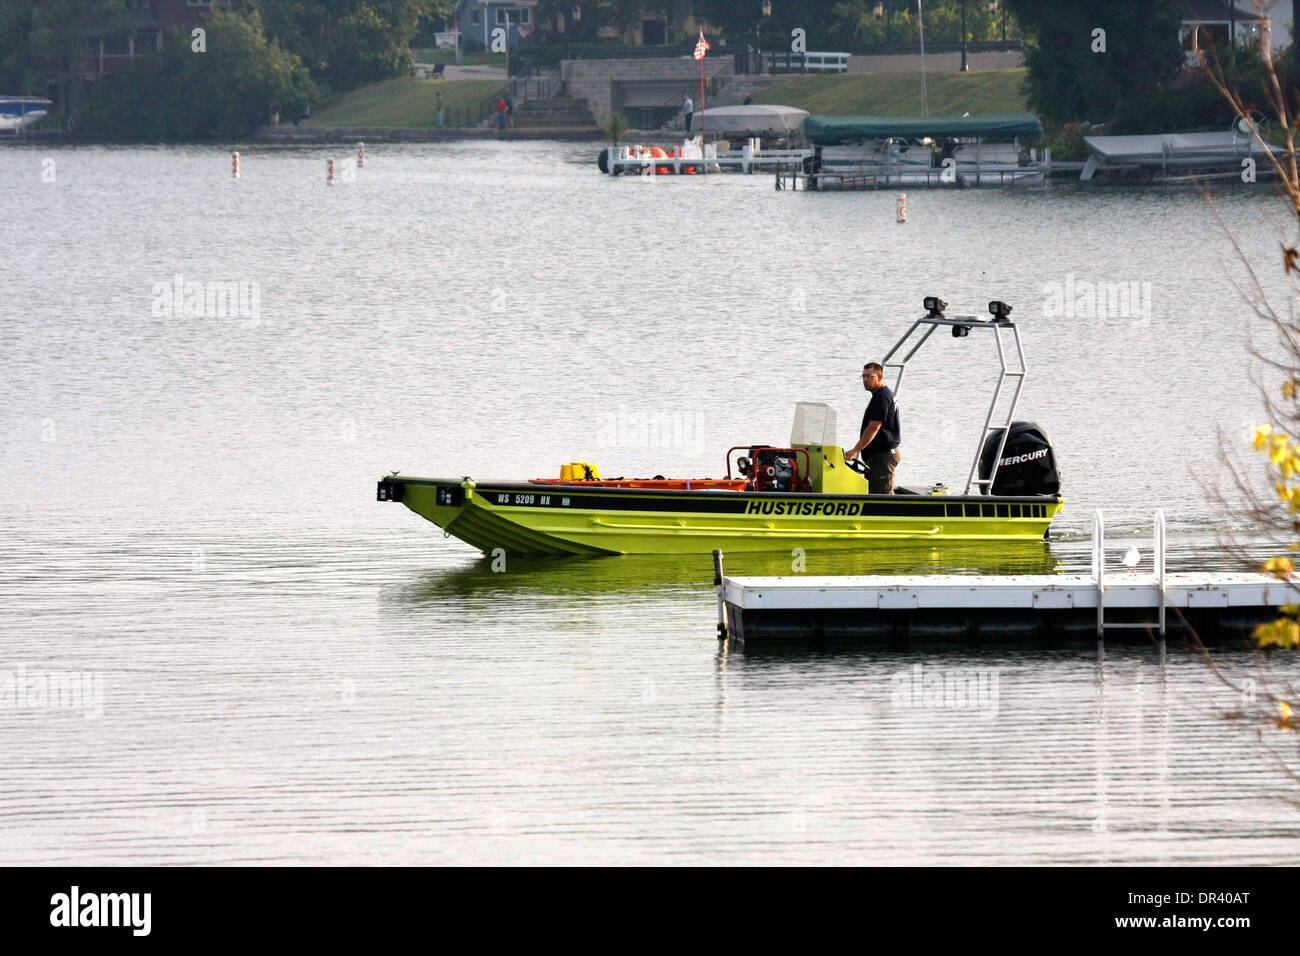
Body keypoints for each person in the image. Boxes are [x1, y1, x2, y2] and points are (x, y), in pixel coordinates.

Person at [845, 362, 901, 494]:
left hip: (883, 455)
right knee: (874, 491)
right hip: (880, 454)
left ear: (880, 377)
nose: (865, 380)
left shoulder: (881, 397)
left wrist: (855, 450)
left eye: (869, 376)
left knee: (881, 497)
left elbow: (874, 427)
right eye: (863, 376)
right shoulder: (881, 395)